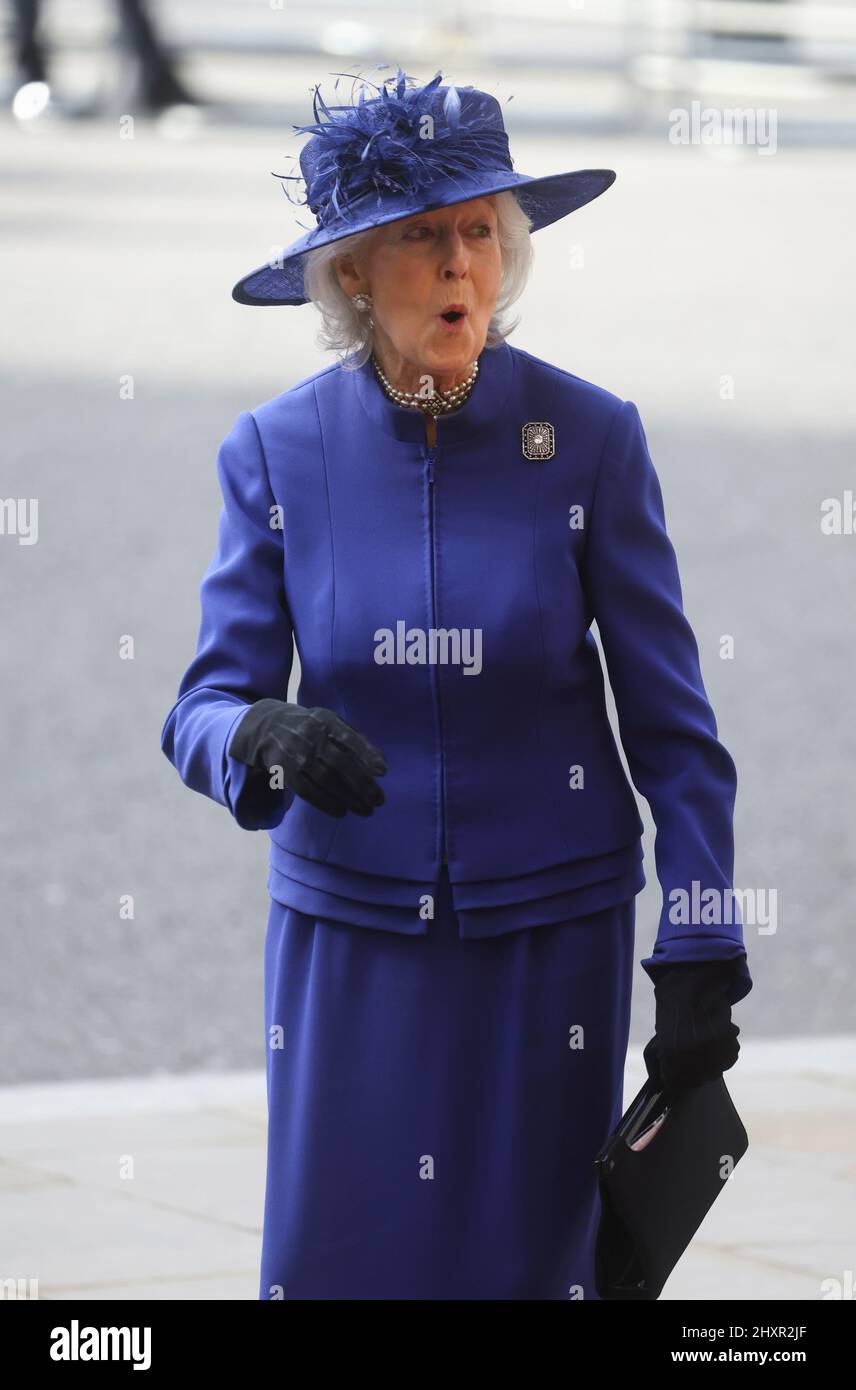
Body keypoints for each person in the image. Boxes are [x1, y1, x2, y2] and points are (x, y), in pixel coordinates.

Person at [160, 68, 753, 1301]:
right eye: (421, 238)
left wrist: (701, 934)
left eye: (479, 232)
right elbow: (199, 706)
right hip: (350, 930)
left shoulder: (589, 438)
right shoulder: (274, 451)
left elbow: (673, 725)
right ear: (351, 277)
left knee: (528, 1265)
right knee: (343, 1259)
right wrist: (260, 733)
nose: (457, 266)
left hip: (550, 934)